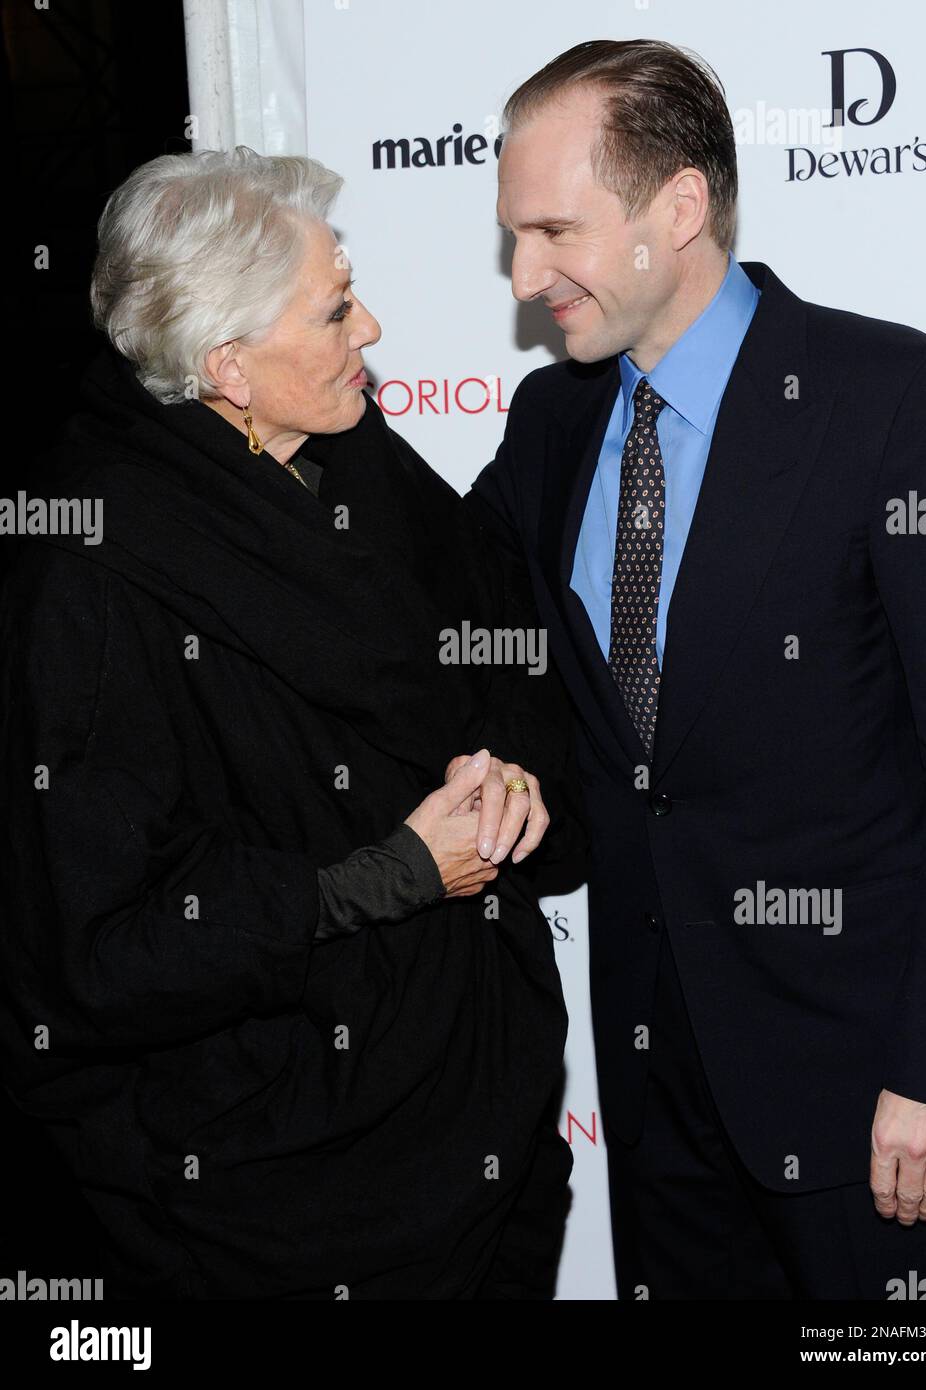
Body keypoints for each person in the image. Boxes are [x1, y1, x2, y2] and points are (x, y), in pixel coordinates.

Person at [0, 146, 584, 1300]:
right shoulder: (90, 573)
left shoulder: (351, 452)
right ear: (228, 365)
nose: (370, 325)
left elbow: (498, 634)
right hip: (271, 1191)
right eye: (332, 309)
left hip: (477, 1119)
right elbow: (98, 943)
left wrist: (511, 767)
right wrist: (390, 875)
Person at [468, 37, 926, 1298]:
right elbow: (439, 601)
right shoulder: (554, 422)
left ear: (679, 207)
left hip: (868, 1099)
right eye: (511, 236)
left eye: (554, 232)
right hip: (652, 1092)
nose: (527, 279)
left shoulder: (896, 398)